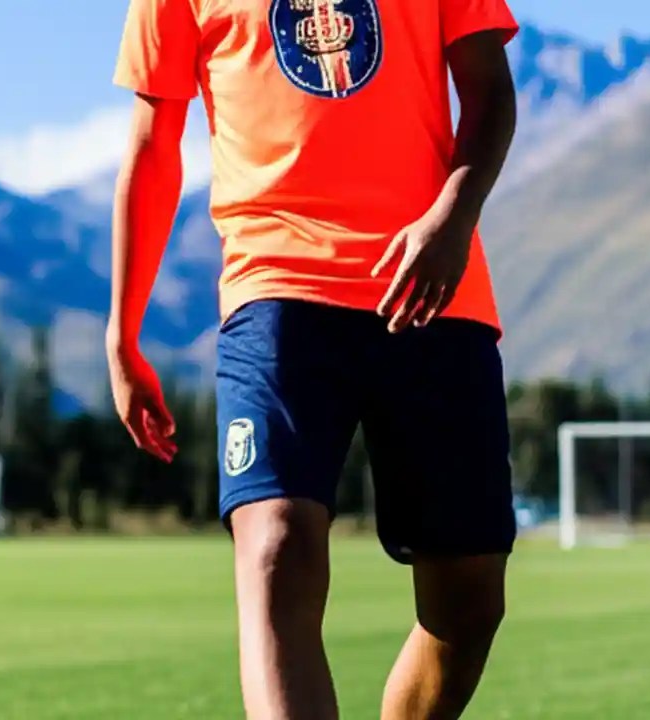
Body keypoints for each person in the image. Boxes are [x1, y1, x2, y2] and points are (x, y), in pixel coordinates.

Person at [108, 1, 519, 717]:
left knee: (469, 599)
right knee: (275, 549)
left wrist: (453, 215)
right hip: (276, 288)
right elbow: (152, 143)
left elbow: (488, 88)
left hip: (432, 287)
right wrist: (123, 332)